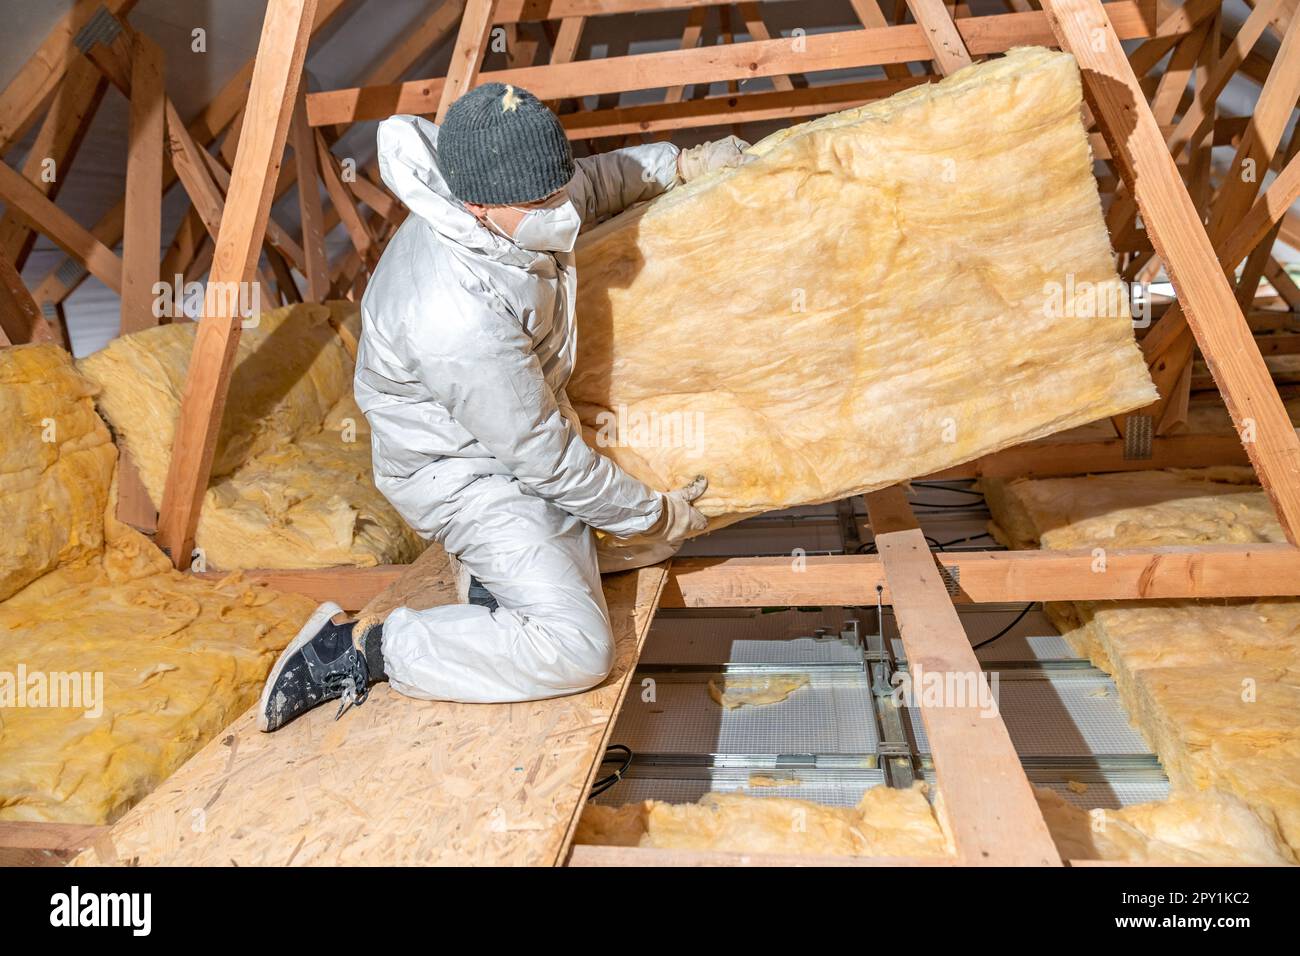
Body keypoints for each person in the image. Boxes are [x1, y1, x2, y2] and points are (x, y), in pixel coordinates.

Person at [258, 83, 752, 731]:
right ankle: (362, 647)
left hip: (514, 439)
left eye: (555, 190)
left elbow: (592, 182)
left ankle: (499, 582)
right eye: (542, 202)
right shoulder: (453, 311)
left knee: (648, 549)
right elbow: (544, 459)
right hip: (465, 475)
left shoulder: (511, 191)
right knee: (577, 649)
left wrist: (681, 164)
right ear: (477, 204)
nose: (564, 210)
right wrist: (652, 510)